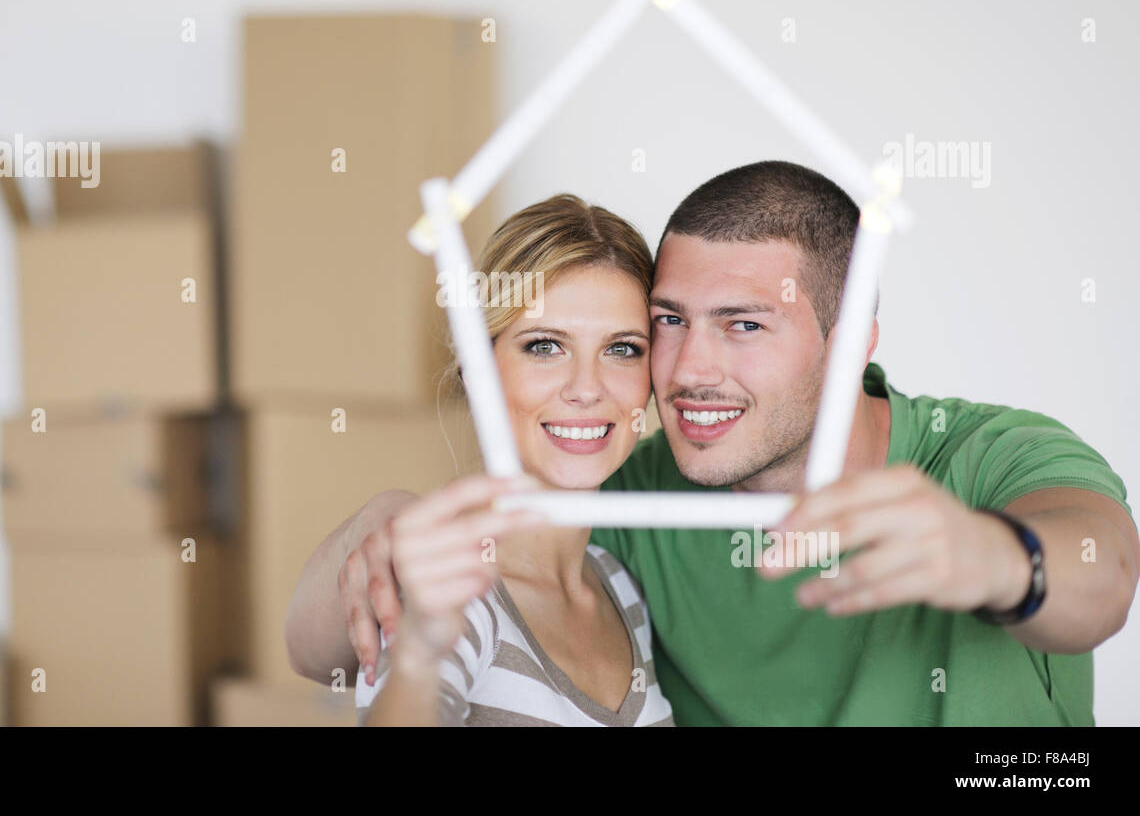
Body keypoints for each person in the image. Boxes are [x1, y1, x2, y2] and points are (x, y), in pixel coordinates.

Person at [288, 161, 1138, 726]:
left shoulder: (984, 453)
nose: (688, 368)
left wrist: (992, 559)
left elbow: (1102, 577)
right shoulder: (625, 496)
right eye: (665, 325)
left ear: (850, 343)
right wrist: (389, 517)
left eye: (743, 324)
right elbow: (316, 647)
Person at [354, 193, 675, 725]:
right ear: (476, 372)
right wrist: (415, 657)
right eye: (545, 345)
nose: (586, 388)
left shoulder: (619, 587)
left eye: (622, 349)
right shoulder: (452, 592)